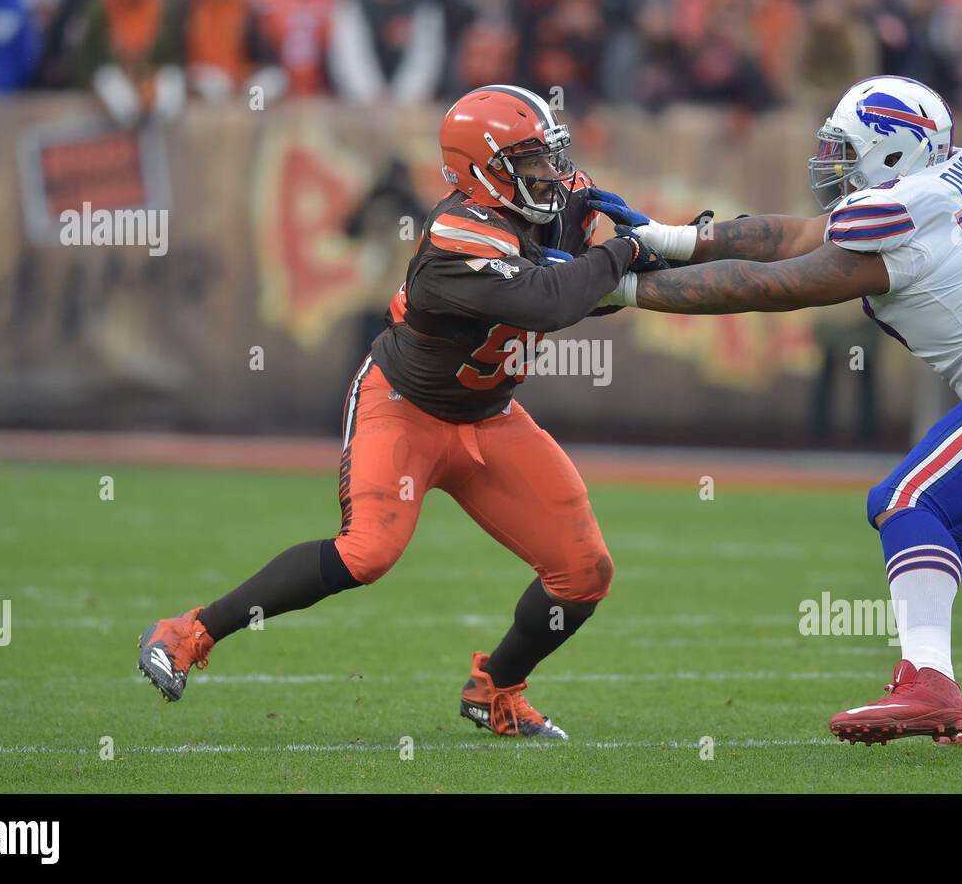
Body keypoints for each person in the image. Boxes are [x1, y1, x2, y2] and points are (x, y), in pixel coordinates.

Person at [586, 75, 962, 748]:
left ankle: (928, 678)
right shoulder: (940, 181)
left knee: (907, 498)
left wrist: (623, 287)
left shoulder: (902, 218)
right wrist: (668, 238)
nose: (831, 161)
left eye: (845, 148)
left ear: (894, 152)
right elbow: (792, 234)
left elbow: (775, 284)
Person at [138, 85, 666, 739]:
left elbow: (583, 291)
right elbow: (550, 301)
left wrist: (678, 246)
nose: (549, 176)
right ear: (484, 171)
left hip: (489, 415)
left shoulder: (553, 204)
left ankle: (496, 688)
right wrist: (627, 252)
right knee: (368, 551)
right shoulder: (457, 233)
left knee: (584, 573)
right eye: (530, 163)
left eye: (548, 157)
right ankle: (188, 630)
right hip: (405, 407)